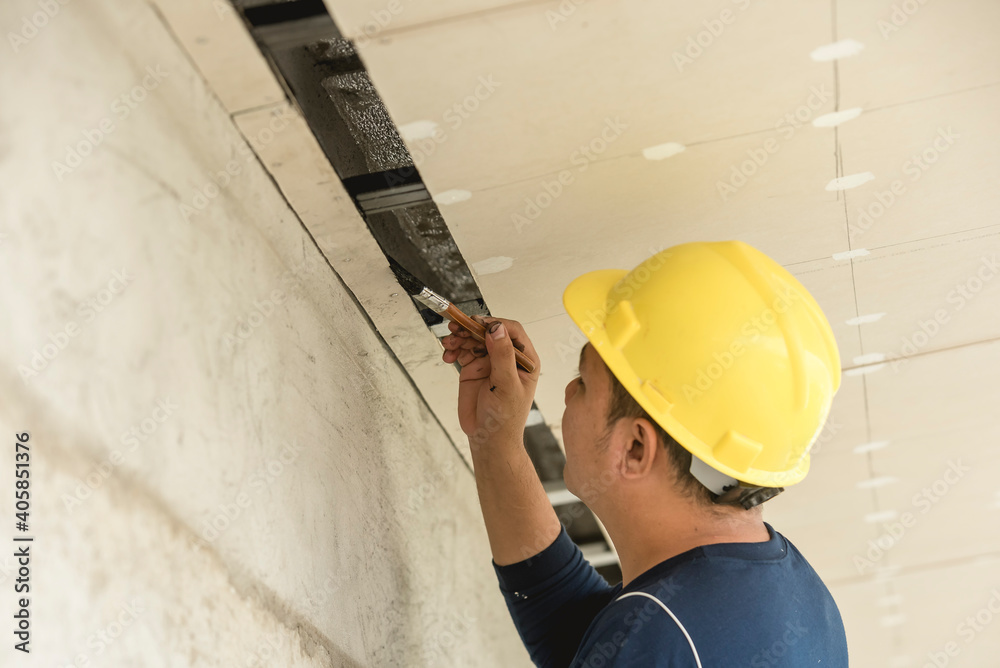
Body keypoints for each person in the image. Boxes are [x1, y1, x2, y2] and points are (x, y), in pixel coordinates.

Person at [440, 240, 849, 667]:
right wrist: (495, 440)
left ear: (635, 448)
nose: (565, 392)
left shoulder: (662, 636)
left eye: (583, 381)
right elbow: (584, 638)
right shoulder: (796, 597)